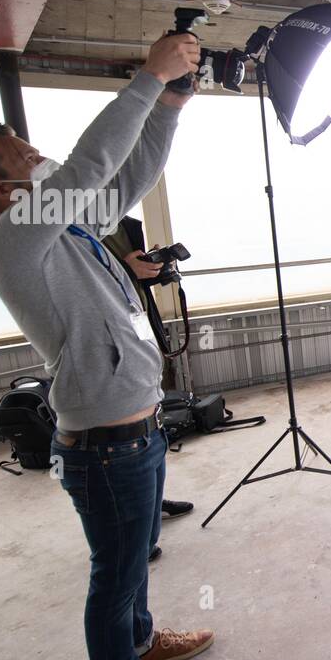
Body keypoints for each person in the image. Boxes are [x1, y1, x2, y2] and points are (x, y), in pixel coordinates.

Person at [0, 31, 214, 660]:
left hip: (139, 427)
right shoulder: (12, 241)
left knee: (134, 561)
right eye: (27, 157)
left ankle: (144, 643)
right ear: (5, 189)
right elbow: (91, 166)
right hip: (105, 443)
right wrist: (146, 77)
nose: (43, 158)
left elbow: (126, 179)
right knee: (114, 577)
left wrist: (169, 109)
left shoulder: (60, 228)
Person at [102, 215, 195, 561]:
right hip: (112, 345)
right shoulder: (71, 229)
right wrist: (126, 271)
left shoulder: (122, 224)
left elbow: (128, 280)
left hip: (139, 327)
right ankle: (135, 536)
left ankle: (152, 504)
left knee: (153, 426)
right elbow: (90, 286)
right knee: (126, 440)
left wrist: (151, 269)